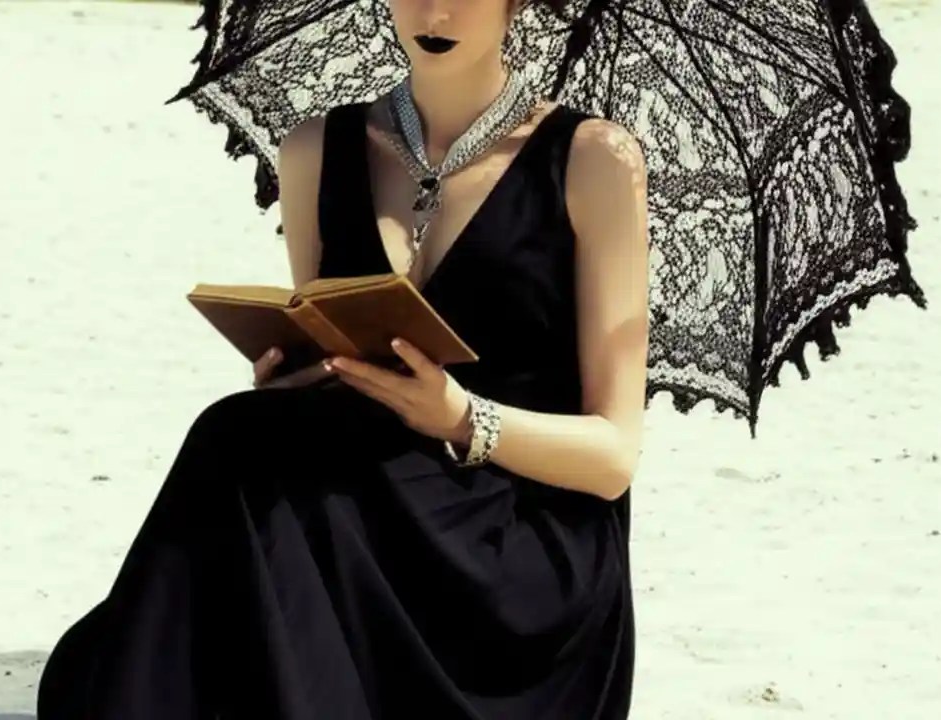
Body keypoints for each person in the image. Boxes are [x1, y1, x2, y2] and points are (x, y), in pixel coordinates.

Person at [36, 0, 650, 717]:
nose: (436, 10)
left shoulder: (596, 161)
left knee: (242, 458)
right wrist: (298, 378)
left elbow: (613, 459)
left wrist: (460, 416)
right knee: (242, 433)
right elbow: (330, 342)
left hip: (520, 542)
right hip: (379, 497)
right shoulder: (314, 149)